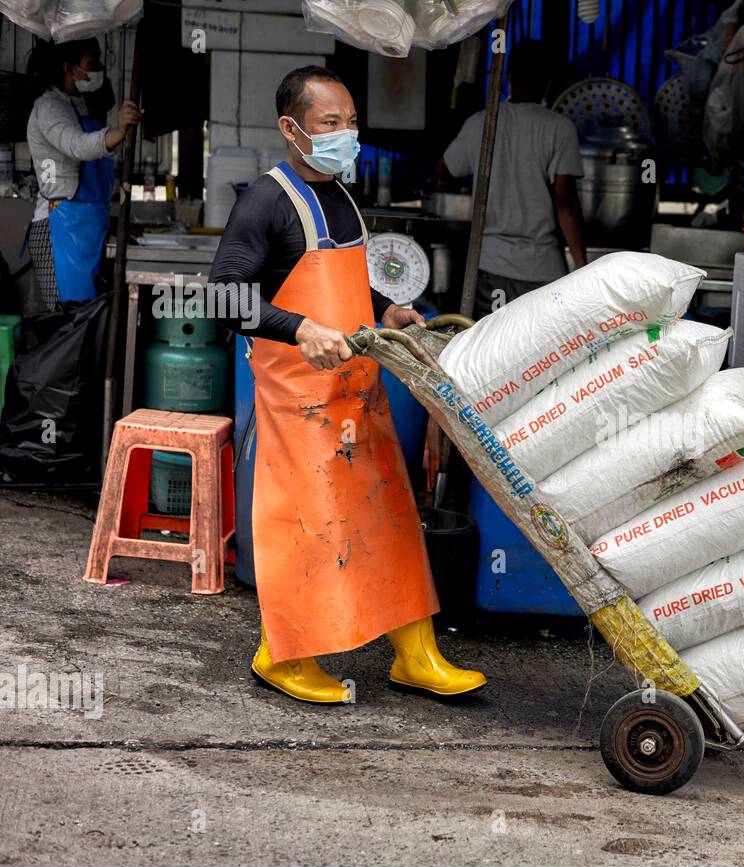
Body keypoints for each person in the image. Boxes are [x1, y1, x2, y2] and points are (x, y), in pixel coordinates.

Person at [208, 65, 485, 705]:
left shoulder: (340, 192)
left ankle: (416, 654)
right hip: (300, 402)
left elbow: (348, 277)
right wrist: (299, 327)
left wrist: (384, 307)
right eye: (331, 124)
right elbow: (225, 296)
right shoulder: (265, 201)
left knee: (389, 518)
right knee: (311, 526)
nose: (347, 134)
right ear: (291, 128)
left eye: (352, 121)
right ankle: (283, 656)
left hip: (359, 391)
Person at [438, 39, 587, 318]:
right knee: (542, 356)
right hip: (542, 270)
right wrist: (581, 265)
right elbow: (564, 200)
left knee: (492, 353)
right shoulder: (559, 128)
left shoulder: (480, 122)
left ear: (508, 77)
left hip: (490, 265)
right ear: (548, 81)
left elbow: (444, 171)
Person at [26, 39, 141, 307]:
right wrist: (119, 132)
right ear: (69, 68)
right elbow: (77, 145)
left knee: (89, 318)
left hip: (89, 226)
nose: (98, 69)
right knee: (67, 321)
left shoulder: (80, 105)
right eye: (92, 63)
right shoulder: (49, 107)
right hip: (60, 227)